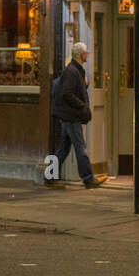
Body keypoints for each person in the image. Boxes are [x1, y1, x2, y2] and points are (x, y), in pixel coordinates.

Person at [45, 43, 108, 189]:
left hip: (68, 115)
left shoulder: (75, 70)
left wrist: (84, 85)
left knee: (63, 148)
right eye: (87, 52)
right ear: (81, 55)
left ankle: (49, 177)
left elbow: (73, 89)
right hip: (71, 116)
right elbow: (67, 93)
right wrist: (82, 106)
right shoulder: (72, 71)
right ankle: (88, 179)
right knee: (80, 147)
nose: (88, 54)